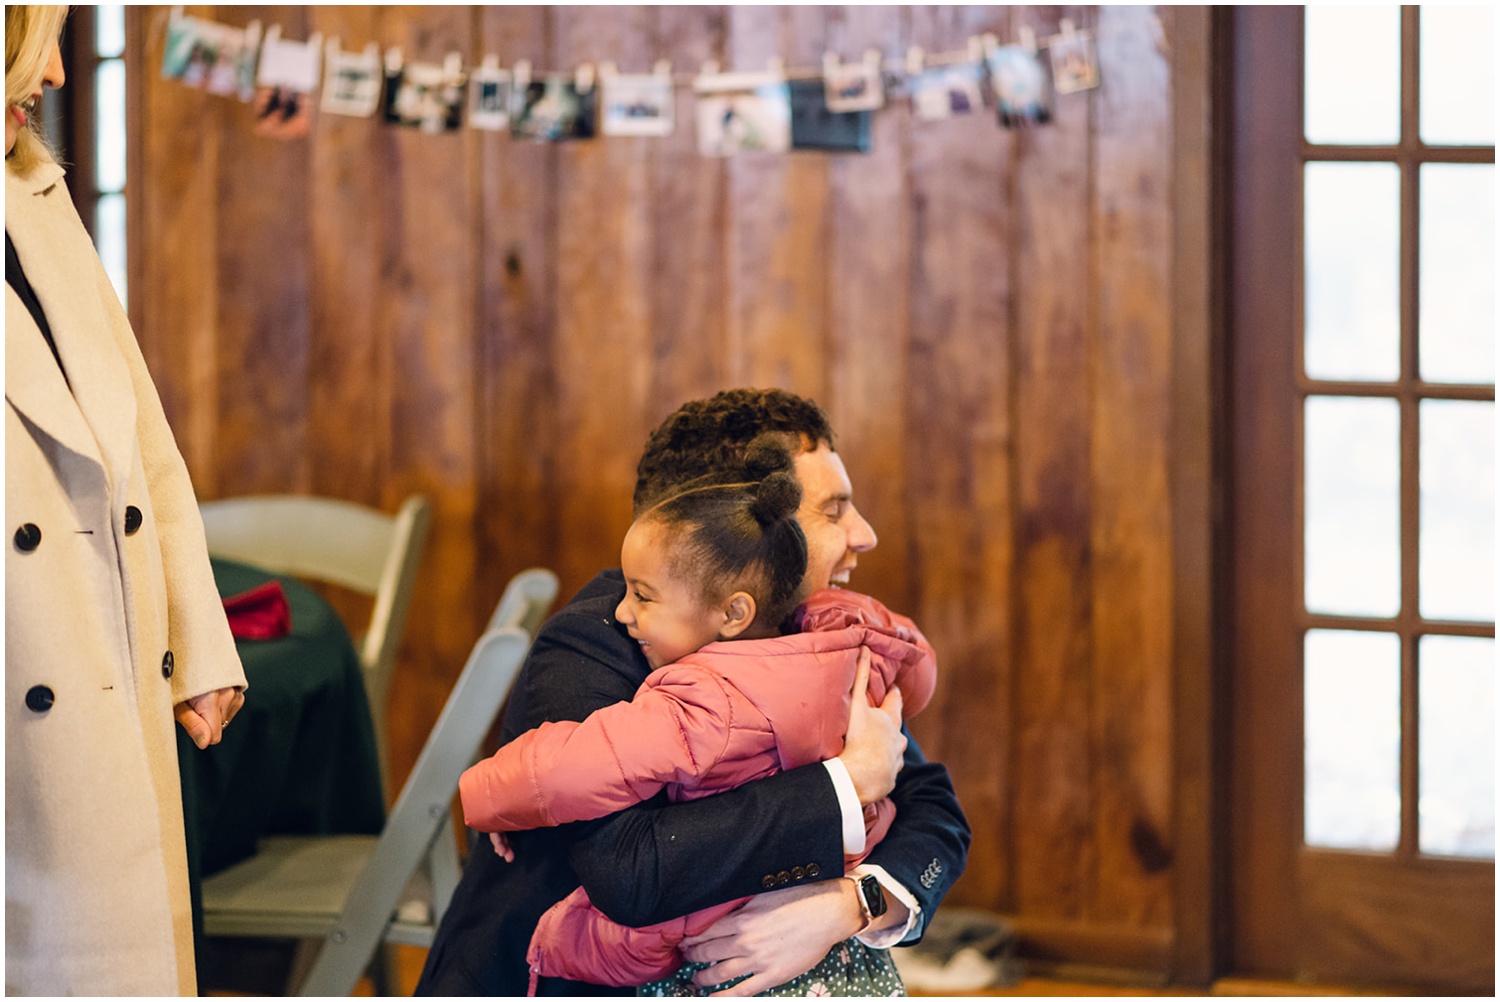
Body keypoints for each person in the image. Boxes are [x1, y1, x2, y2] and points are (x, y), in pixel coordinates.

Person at [418, 388, 970, 997]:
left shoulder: (818, 634)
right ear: (739, 528)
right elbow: (630, 870)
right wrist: (845, 783)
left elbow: (931, 803)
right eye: (834, 510)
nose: (864, 534)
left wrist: (851, 903)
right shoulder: (597, 641)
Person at [5, 6, 246, 995]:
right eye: (29, 39)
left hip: (102, 653)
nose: (57, 72)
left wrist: (195, 636)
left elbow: (140, 439)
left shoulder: (33, 187)